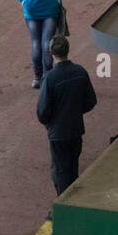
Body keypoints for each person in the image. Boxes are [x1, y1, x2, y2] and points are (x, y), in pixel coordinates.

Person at [35, 35, 97, 196]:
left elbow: (42, 111)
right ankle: (73, 201)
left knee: (60, 170)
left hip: (58, 133)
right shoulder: (80, 71)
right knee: (72, 166)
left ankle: (64, 203)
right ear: (68, 50)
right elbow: (91, 100)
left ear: (51, 53)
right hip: (76, 129)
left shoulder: (50, 78)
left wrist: (50, 123)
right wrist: (75, 111)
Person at [11, 0, 66, 88]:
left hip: (49, 11)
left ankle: (43, 76)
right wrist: (23, 1)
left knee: (45, 44)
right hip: (33, 13)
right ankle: (40, 76)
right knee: (38, 44)